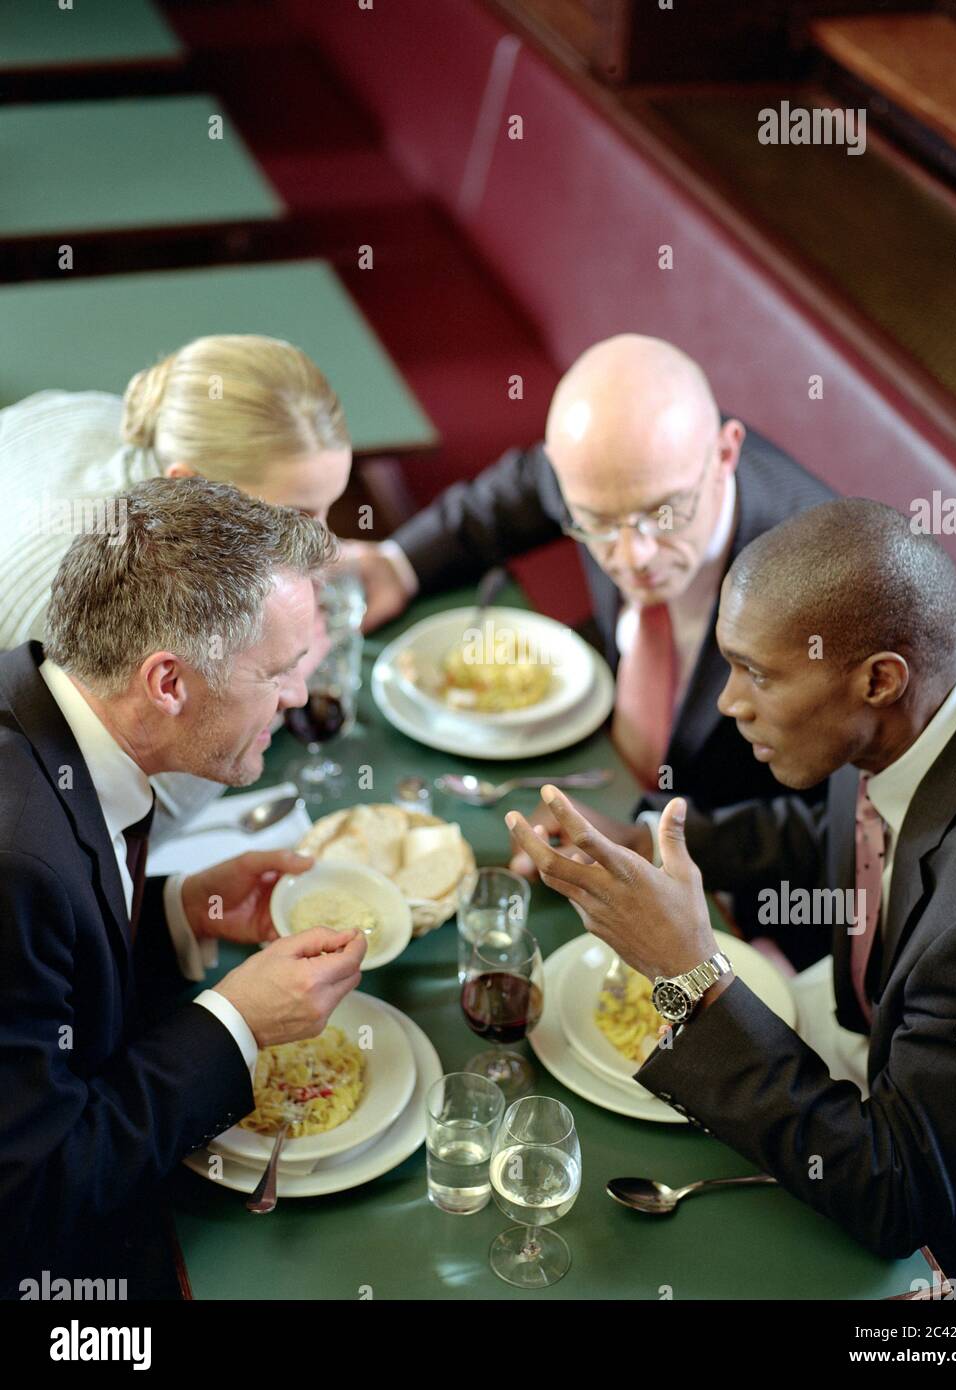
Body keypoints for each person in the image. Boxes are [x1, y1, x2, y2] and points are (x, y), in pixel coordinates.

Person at [505, 498, 956, 1293]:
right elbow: (834, 830)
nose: (727, 701)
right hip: (866, 1049)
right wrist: (650, 838)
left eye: (757, 674)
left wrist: (691, 974)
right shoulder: (934, 691)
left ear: (880, 680)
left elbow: (900, 1193)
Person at [344, 333, 833, 964]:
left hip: (759, 886)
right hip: (604, 763)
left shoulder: (820, 586)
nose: (632, 559)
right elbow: (515, 489)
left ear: (725, 452)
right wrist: (399, 562)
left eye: (663, 514)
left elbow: (840, 819)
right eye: (596, 523)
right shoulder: (598, 472)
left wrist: (656, 841)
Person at [0, 477, 367, 1298]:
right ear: (168, 682)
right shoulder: (18, 864)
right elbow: (34, 1189)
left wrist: (176, 910)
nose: (300, 696)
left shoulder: (34, 708)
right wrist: (237, 1020)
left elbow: (55, 968)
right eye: (279, 672)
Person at [0, 334, 355, 841]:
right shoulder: (97, 596)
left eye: (331, 506)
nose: (331, 549)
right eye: (295, 516)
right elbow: (126, 831)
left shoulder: (111, 418)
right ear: (186, 482)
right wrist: (283, 671)